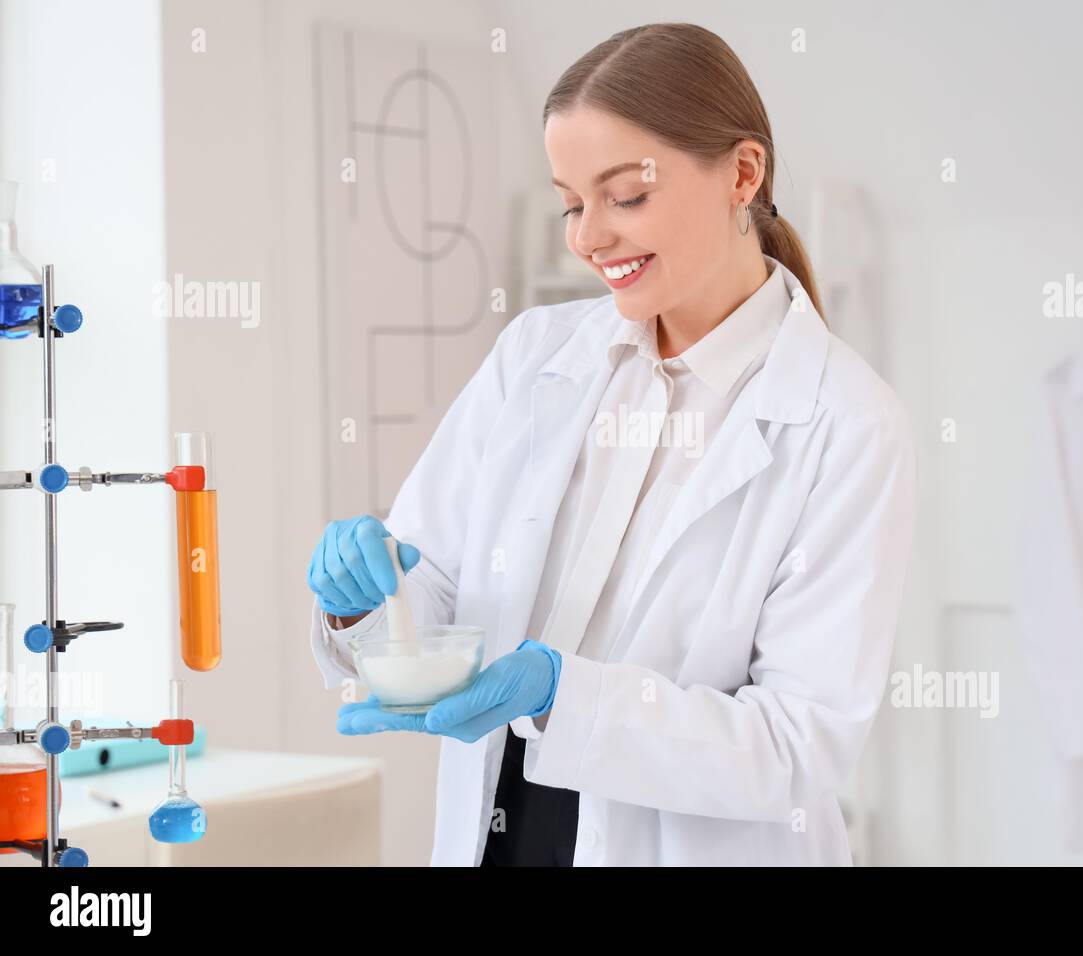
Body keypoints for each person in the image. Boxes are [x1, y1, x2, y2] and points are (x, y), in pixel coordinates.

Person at [306, 22, 917, 866]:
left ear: (744, 173)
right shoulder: (535, 356)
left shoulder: (846, 422)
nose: (587, 237)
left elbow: (794, 746)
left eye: (625, 195)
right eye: (570, 202)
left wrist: (568, 696)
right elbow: (434, 586)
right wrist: (367, 600)